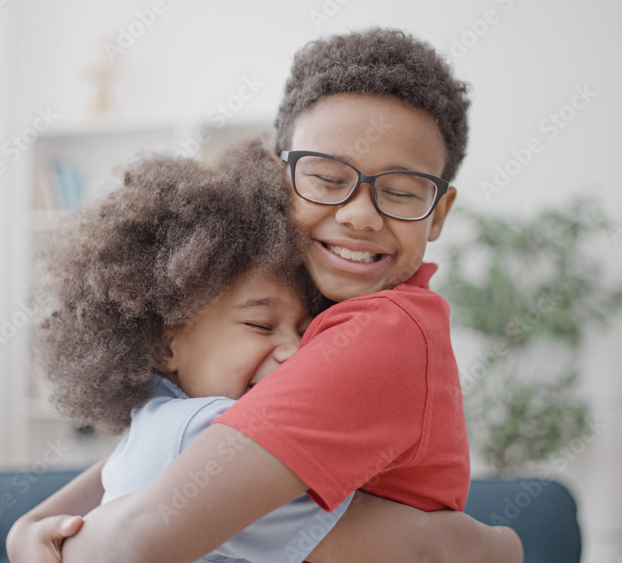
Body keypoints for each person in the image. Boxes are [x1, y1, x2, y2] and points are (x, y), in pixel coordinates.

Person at [54, 28, 525, 562]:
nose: (360, 215)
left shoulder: (385, 332)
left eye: (399, 191)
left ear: (438, 212)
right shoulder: (320, 297)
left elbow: (133, 541)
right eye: (326, 179)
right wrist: (35, 525)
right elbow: (177, 438)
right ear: (284, 179)